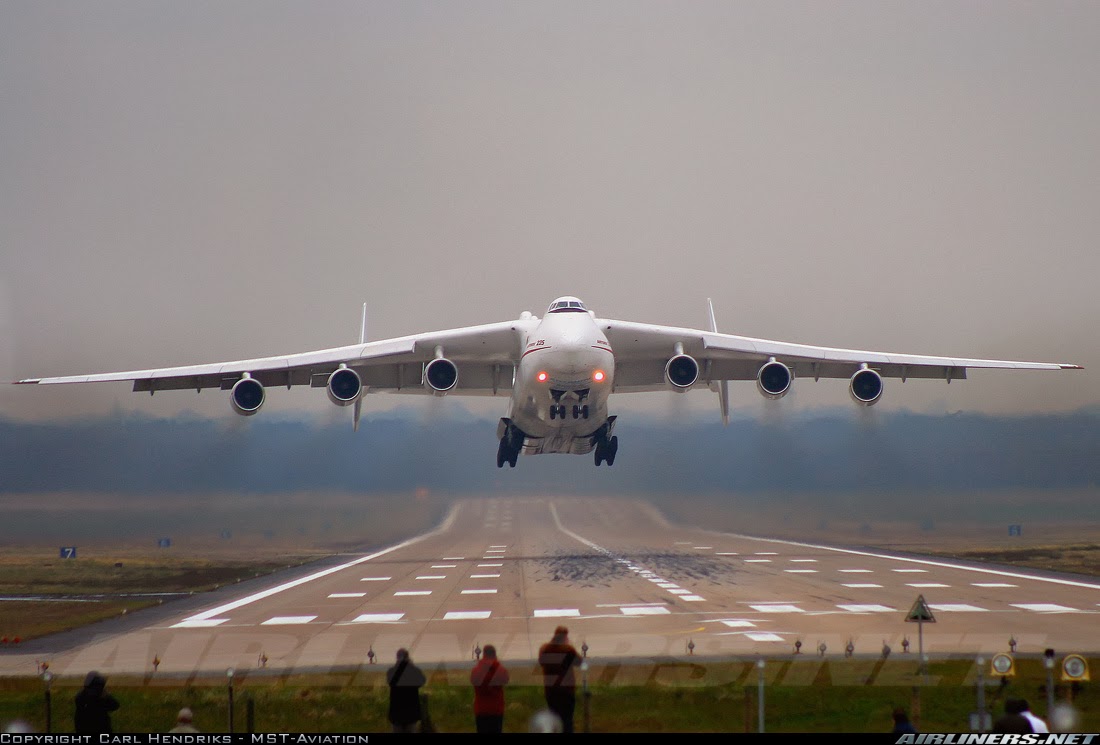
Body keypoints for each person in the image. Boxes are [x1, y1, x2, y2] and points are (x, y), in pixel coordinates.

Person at [538, 626, 581, 734]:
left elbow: (541, 662)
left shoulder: (545, 649)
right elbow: (579, 662)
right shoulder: (567, 650)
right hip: (566, 690)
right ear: (565, 636)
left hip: (551, 690)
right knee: (567, 720)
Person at [470, 644, 510, 733]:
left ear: (483, 654)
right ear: (494, 654)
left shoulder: (475, 671)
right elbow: (506, 680)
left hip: (481, 710)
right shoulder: (501, 670)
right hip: (496, 710)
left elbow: (473, 681)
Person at [386, 648, 427, 733]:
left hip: (396, 711)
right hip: (411, 711)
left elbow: (390, 681)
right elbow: (422, 681)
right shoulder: (413, 671)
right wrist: (410, 665)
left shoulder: (392, 671)